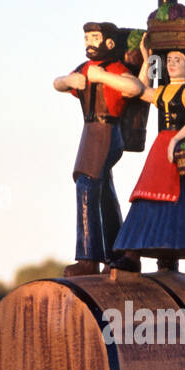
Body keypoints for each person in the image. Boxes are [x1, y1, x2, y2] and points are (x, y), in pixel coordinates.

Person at [111, 40, 185, 291]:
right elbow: (142, 90)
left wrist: (176, 138)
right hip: (160, 151)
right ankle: (132, 255)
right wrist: (148, 57)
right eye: (170, 60)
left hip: (182, 149)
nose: (172, 64)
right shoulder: (163, 91)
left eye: (179, 60)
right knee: (147, 198)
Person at [53, 22, 143, 276]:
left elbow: (135, 87)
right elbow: (57, 83)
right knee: (103, 191)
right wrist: (68, 80)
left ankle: (88, 258)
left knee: (87, 185)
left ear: (109, 42)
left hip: (106, 130)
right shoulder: (85, 68)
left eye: (94, 37)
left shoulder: (113, 69)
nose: (89, 42)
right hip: (90, 130)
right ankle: (119, 253)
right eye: (87, 38)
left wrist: (102, 78)